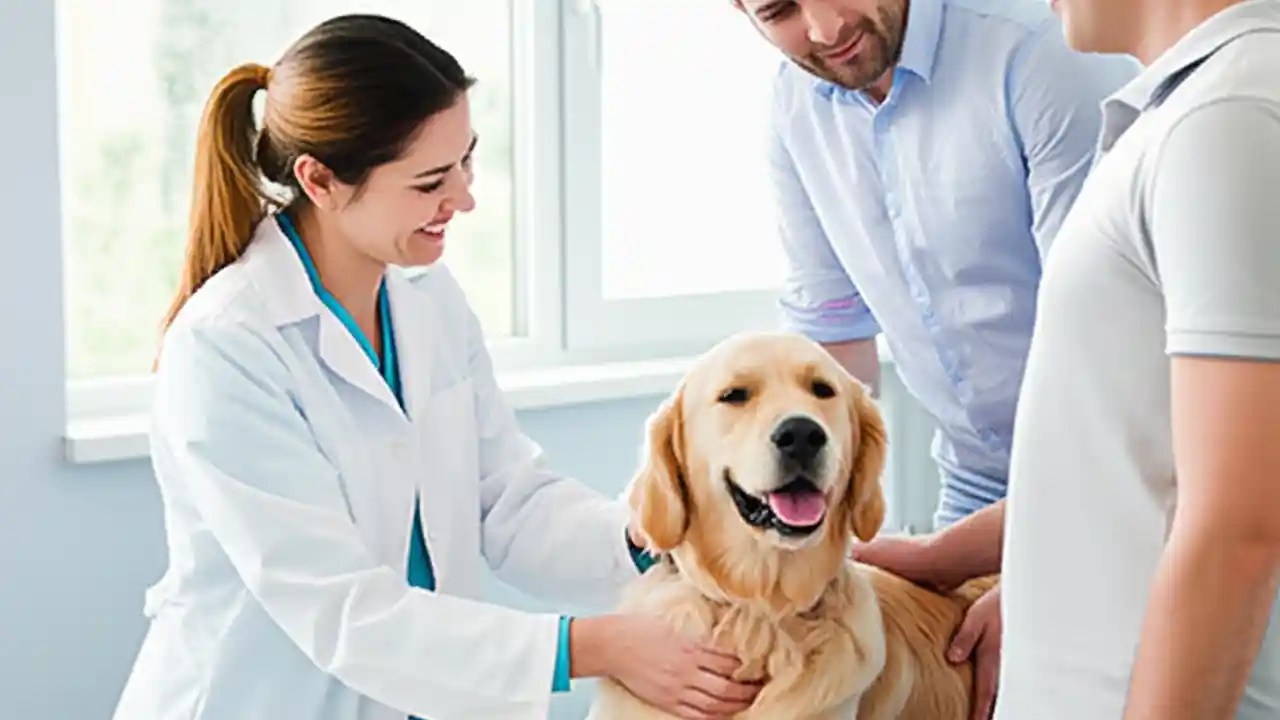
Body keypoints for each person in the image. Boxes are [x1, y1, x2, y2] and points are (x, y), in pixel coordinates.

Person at [111, 14, 763, 720]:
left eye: (467, 161)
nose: (464, 198)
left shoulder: (427, 300)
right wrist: (597, 647)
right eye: (429, 182)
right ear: (320, 180)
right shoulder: (226, 345)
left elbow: (506, 500)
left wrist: (644, 534)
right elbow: (343, 609)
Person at [847, 0, 1280, 718]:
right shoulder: (1186, 113)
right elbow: (1136, 463)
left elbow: (1237, 526)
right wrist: (952, 555)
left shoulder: (1226, 118)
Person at [730, 1, 1137, 716]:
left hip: (1120, 475)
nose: (825, 30)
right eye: (779, 10)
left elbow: (1114, 355)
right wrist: (818, 538)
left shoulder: (1039, 55)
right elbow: (832, 345)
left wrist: (1050, 565)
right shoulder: (797, 106)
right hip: (975, 479)